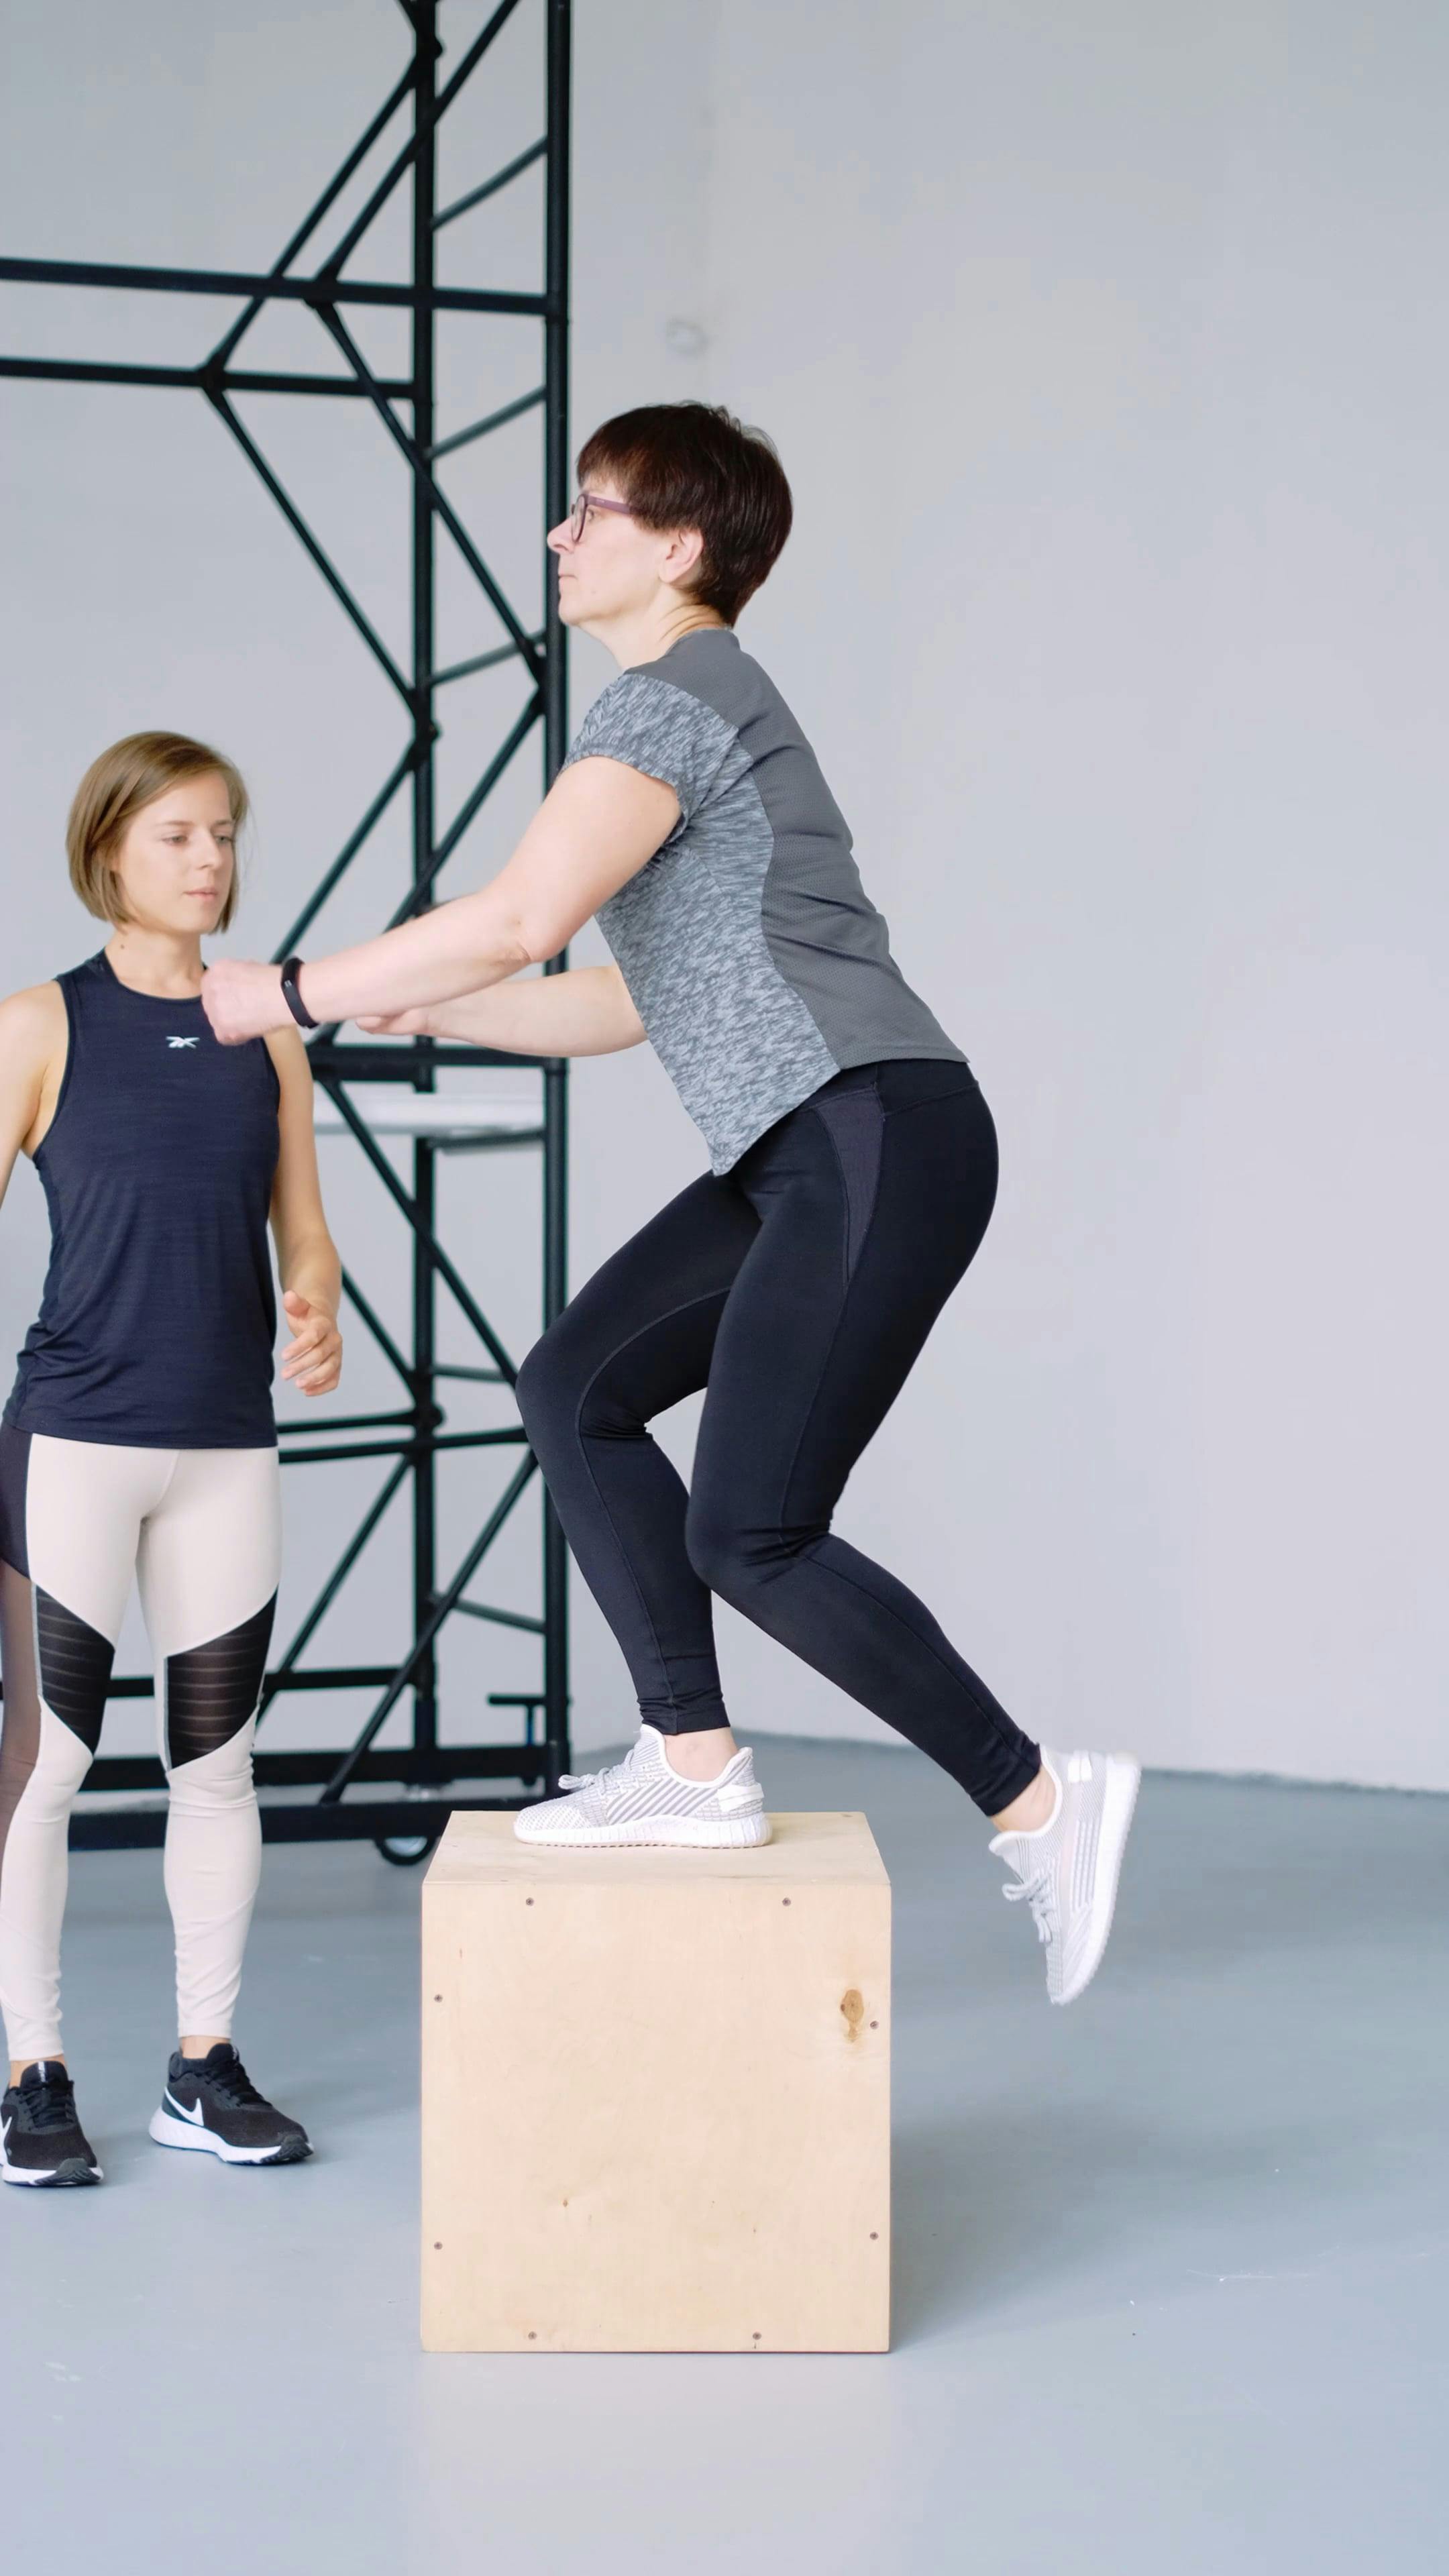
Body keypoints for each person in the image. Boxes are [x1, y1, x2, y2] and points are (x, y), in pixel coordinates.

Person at [203, 402, 1140, 2008]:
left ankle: (1044, 1798)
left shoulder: (679, 695)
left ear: (679, 547)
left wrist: (289, 986)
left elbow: (515, 917)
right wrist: (401, 1007)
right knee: (576, 1383)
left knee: (753, 1530)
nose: (561, 536)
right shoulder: (681, 719)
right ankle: (694, 1760)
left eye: (589, 511)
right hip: (806, 1145)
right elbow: (612, 1002)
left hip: (869, 1129)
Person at [0, 732, 343, 2186]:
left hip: (223, 1451)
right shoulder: (38, 1024)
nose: (211, 862)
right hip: (73, 1443)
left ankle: (202, 2070)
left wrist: (317, 1307)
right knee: (47, 1766)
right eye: (179, 838)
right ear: (109, 856)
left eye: (224, 837)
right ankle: (32, 2076)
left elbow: (303, 1233)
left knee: (217, 1766)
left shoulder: (264, 1025)